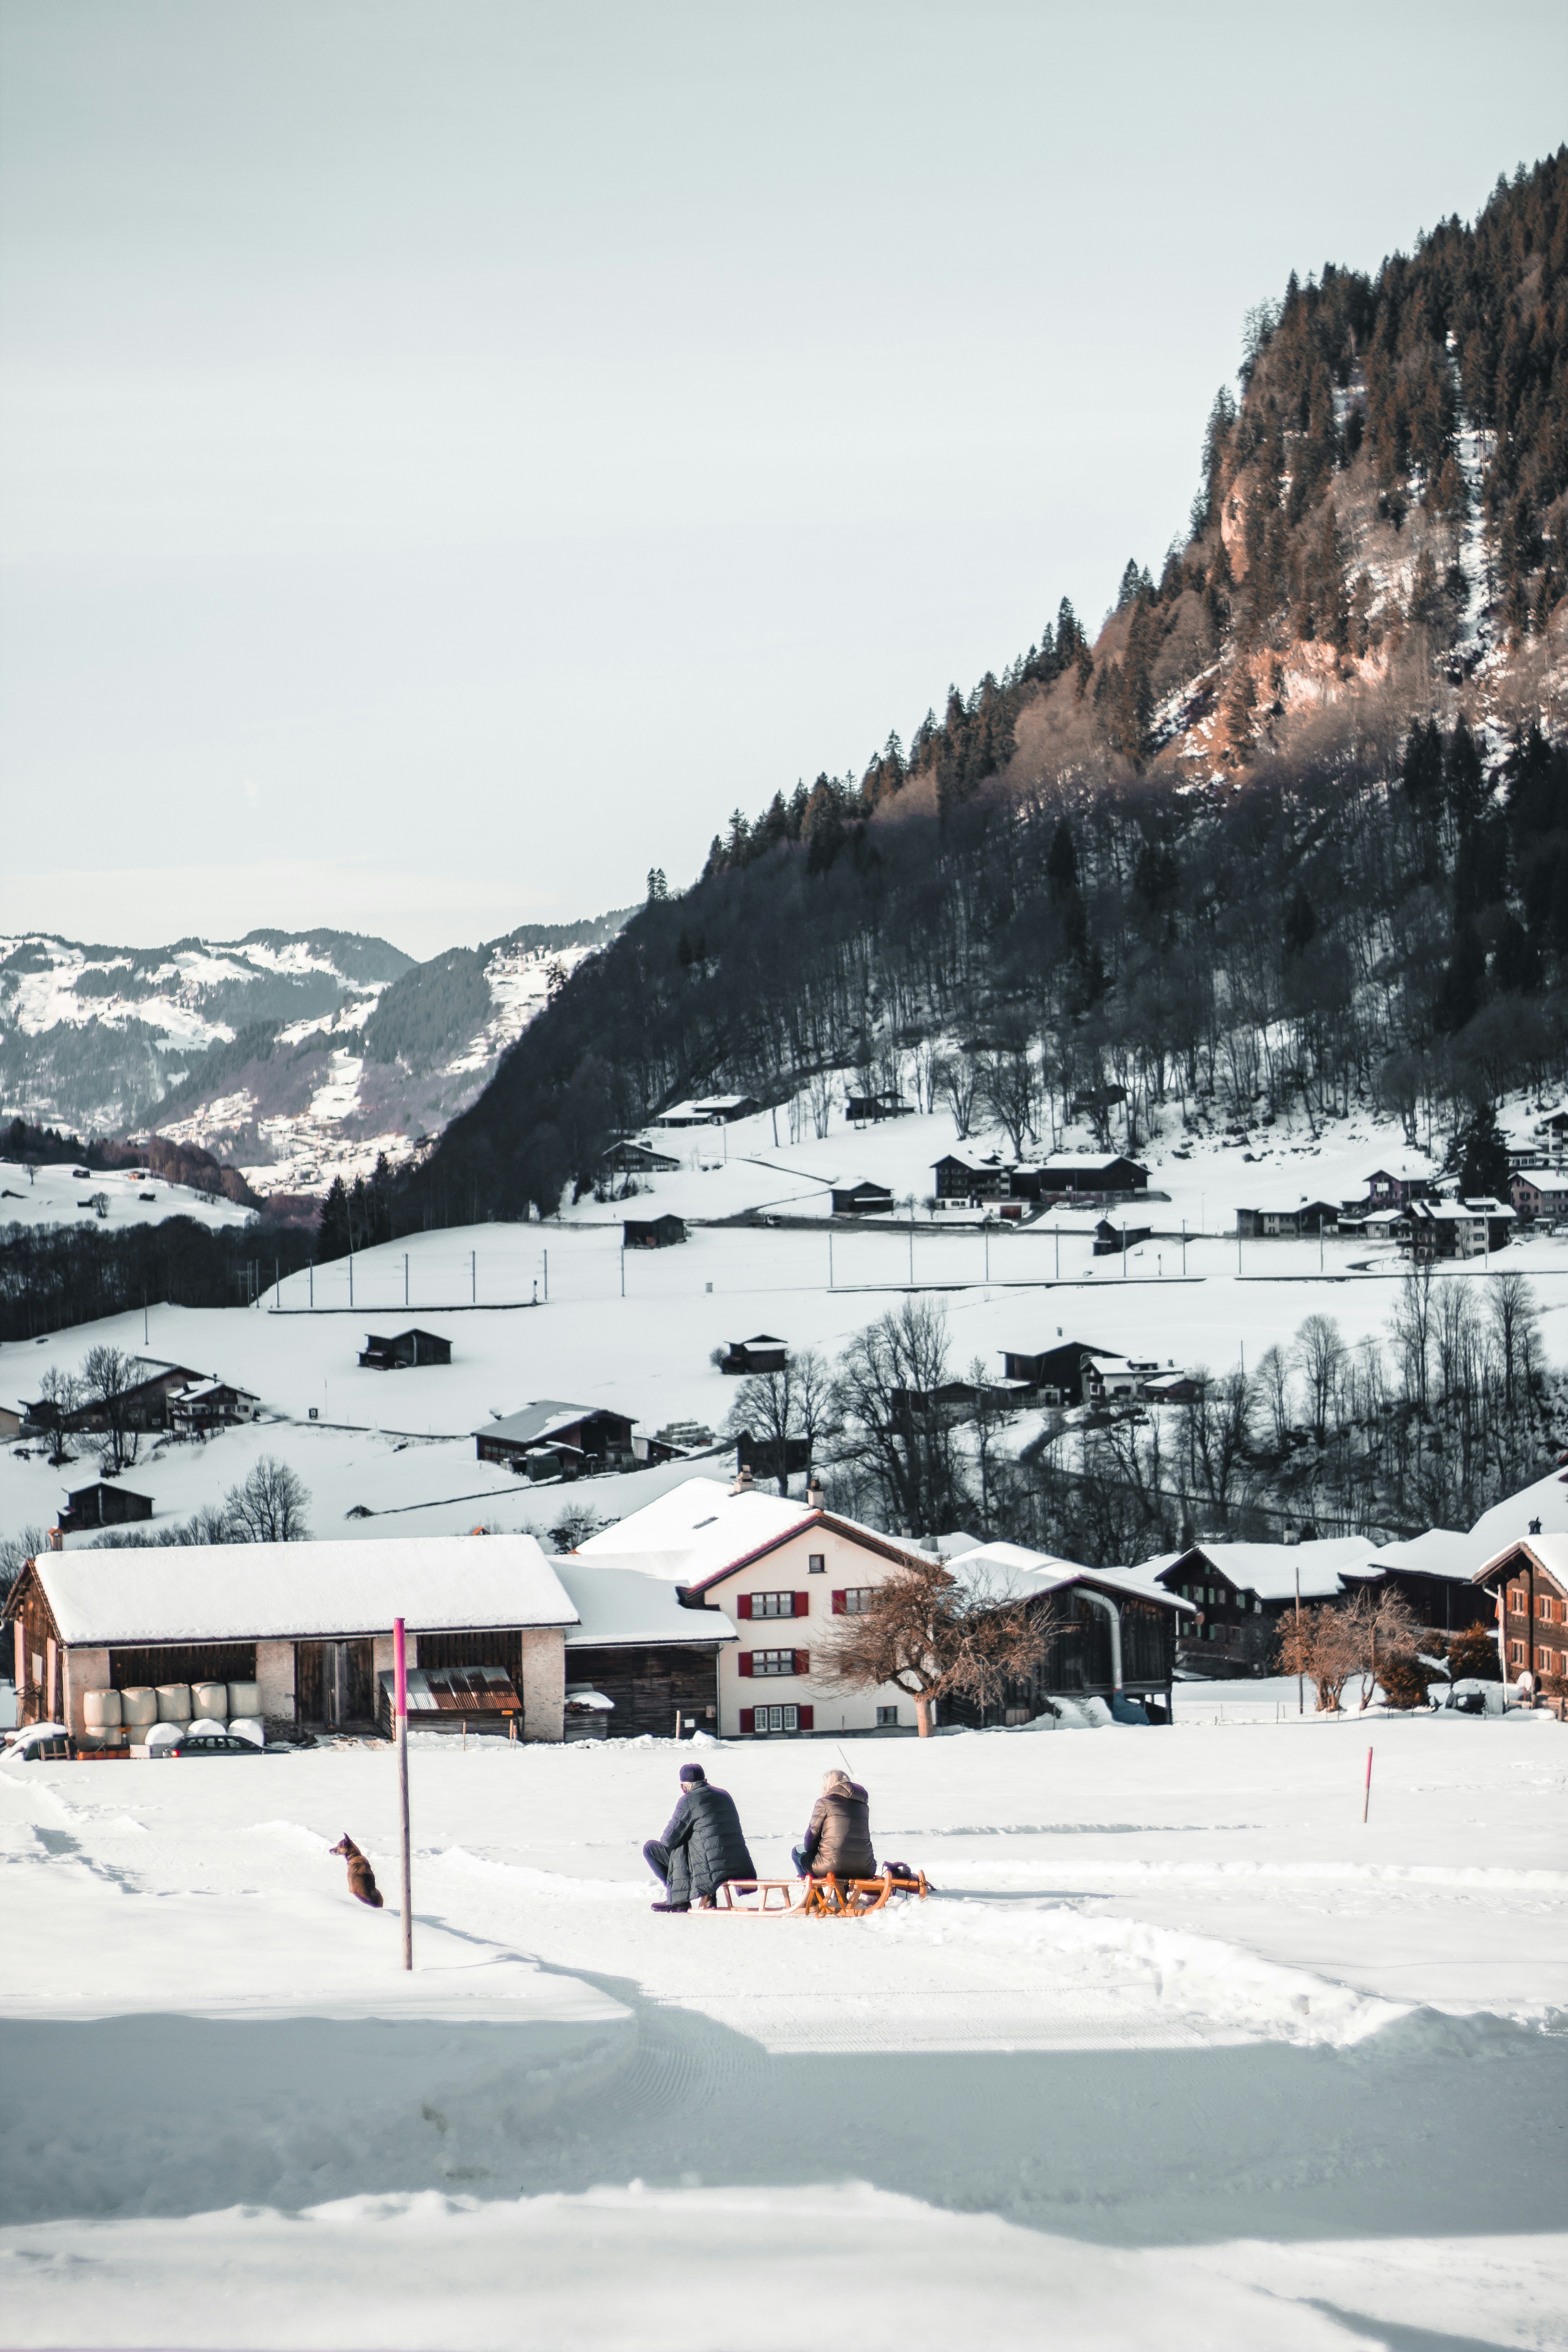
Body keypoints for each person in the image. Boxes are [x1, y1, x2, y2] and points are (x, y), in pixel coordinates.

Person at [642, 1761, 756, 1912]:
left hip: (709, 1868)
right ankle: (707, 1896)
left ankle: (678, 1899)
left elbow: (669, 1840)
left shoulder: (689, 1800)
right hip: (738, 1864)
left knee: (651, 1848)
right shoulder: (724, 1795)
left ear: (683, 1787)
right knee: (702, 1842)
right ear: (706, 1781)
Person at [792, 1766, 875, 1882]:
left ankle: (813, 1895)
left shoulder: (825, 1802)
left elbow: (812, 1837)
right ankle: (838, 1894)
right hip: (865, 1867)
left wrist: (813, 1851)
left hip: (832, 1867)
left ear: (828, 1785)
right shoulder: (863, 1806)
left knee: (797, 1852)